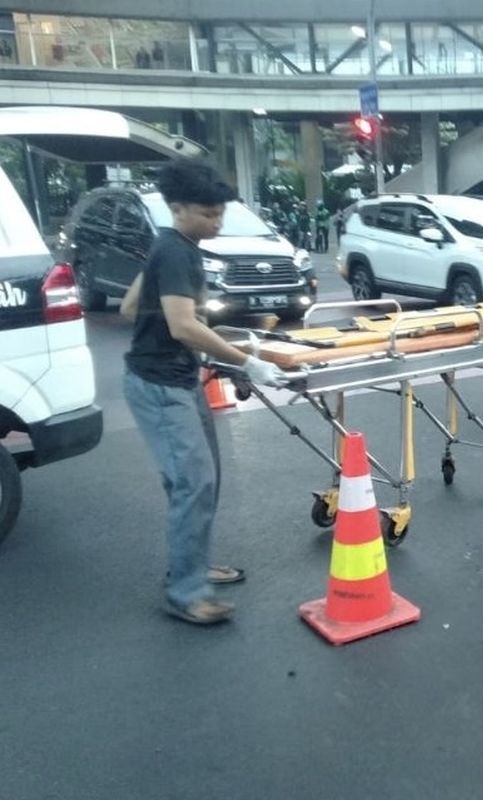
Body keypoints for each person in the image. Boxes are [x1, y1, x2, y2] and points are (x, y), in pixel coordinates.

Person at [120, 159, 288, 625]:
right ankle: (185, 592)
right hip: (159, 385)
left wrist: (197, 346)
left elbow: (132, 306)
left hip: (175, 376)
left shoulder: (171, 246)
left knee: (200, 479)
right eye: (207, 214)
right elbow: (182, 325)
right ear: (178, 208)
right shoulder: (176, 251)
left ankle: (192, 563)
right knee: (193, 483)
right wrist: (246, 360)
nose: (216, 222)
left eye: (220, 214)